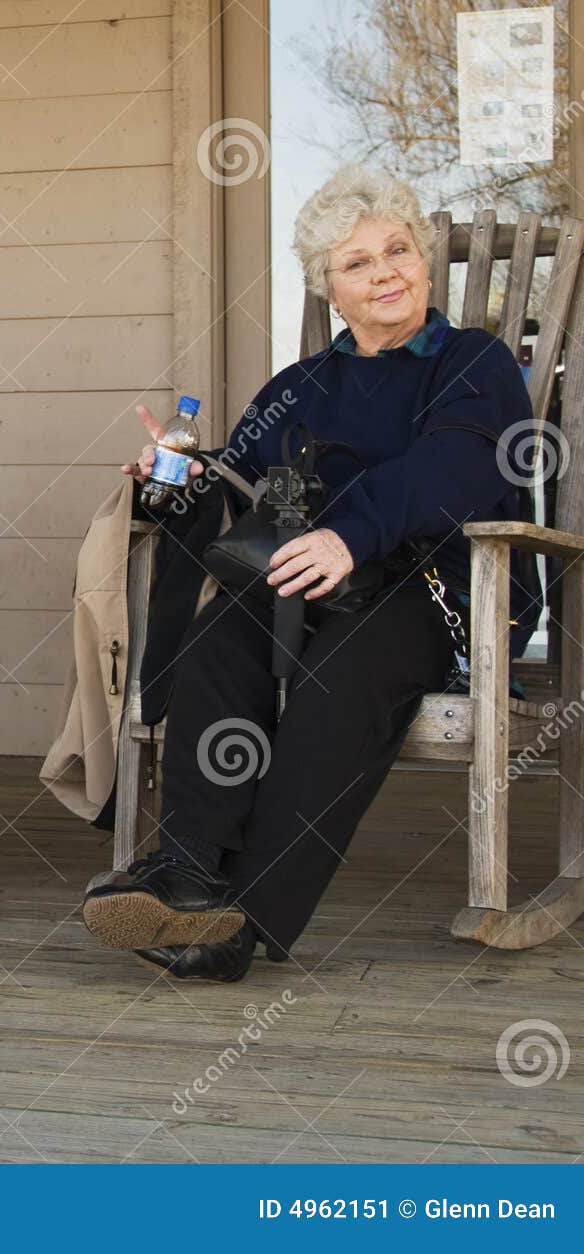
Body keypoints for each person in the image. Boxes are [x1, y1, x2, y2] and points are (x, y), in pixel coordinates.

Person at [81, 166, 536, 981]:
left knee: (338, 676)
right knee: (221, 638)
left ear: (425, 265)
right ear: (329, 287)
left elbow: (460, 464)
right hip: (308, 584)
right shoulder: (300, 387)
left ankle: (240, 923)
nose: (385, 271)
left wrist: (350, 536)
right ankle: (186, 867)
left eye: (397, 250)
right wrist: (174, 477)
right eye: (356, 262)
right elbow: (243, 478)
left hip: (439, 586)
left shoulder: (474, 361)